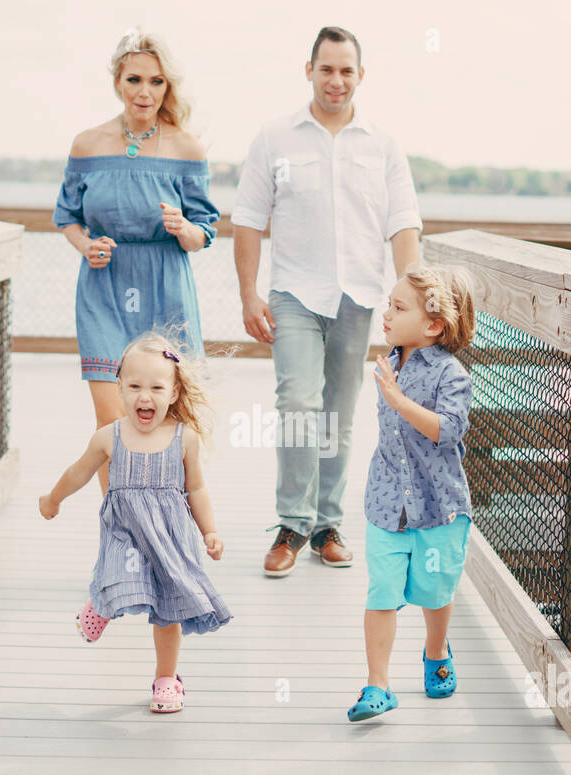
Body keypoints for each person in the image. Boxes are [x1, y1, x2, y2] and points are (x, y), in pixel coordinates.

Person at [232, 25, 423, 576]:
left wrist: (411, 304)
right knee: (297, 402)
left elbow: (402, 225)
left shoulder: (382, 145)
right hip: (293, 293)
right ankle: (291, 524)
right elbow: (246, 218)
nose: (335, 80)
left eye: (346, 70)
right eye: (326, 69)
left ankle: (326, 525)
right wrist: (248, 293)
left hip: (359, 297)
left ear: (360, 76)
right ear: (309, 71)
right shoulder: (274, 137)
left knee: (338, 415)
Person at [53, 27, 220, 492]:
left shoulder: (187, 148)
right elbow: (66, 217)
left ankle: (171, 527)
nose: (144, 92)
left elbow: (204, 232)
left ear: (168, 87)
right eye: (134, 80)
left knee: (170, 419)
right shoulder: (87, 144)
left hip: (166, 286)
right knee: (112, 422)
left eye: (156, 81)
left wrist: (184, 228)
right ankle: (119, 533)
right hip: (103, 287)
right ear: (117, 82)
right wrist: (86, 246)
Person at [38, 331, 231, 714]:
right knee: (123, 579)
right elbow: (78, 472)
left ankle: (166, 678)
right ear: (120, 390)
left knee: (169, 608)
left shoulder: (184, 438)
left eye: (157, 387)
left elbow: (197, 489)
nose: (145, 396)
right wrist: (53, 498)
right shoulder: (108, 437)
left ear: (174, 393)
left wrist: (209, 530)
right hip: (125, 532)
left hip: (171, 538)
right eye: (134, 386)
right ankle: (100, 605)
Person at [347, 267, 476, 721]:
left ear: (433, 325)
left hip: (438, 508)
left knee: (434, 590)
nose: (386, 313)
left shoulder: (451, 374)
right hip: (386, 504)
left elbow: (450, 429)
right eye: (389, 303)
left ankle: (436, 650)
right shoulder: (391, 361)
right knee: (382, 592)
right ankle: (377, 685)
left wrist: (401, 402)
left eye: (399, 308)